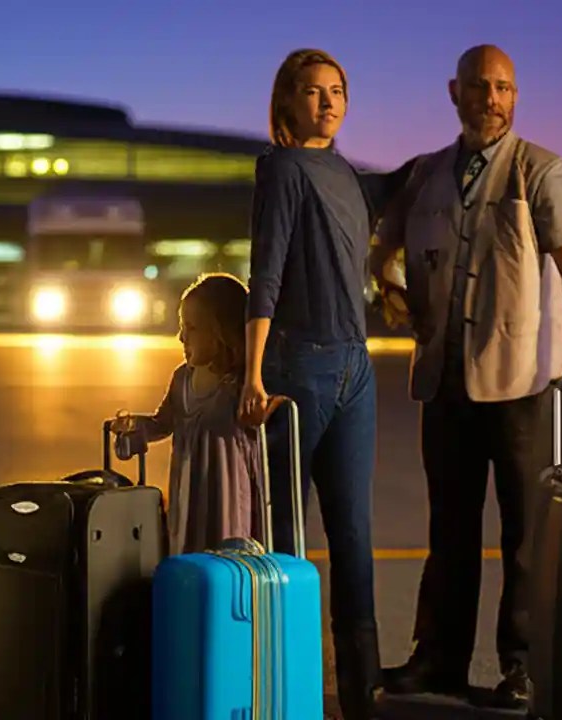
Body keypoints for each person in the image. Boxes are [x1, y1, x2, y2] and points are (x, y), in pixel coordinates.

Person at [369, 44, 562, 708]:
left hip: (519, 382)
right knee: (449, 530)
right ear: (455, 92)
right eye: (480, 87)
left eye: (504, 88)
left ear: (516, 95)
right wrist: (391, 290)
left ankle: (524, 664)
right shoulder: (426, 174)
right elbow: (383, 246)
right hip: (443, 379)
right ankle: (438, 660)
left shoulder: (541, 171)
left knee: (526, 535)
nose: (493, 100)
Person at [238, 48, 382, 720]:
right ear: (286, 102)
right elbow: (265, 271)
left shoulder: (347, 175)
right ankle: (285, 687)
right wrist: (252, 374)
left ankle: (362, 696)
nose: (328, 102)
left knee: (354, 535)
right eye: (313, 91)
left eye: (338, 91)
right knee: (286, 535)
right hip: (298, 369)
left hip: (357, 368)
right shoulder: (282, 167)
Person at [112, 272, 264, 556]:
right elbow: (162, 423)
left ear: (222, 333)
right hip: (187, 499)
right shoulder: (182, 379)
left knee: (227, 564)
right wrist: (133, 428)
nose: (182, 337)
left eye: (192, 328)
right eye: (182, 327)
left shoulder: (241, 387)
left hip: (229, 505)